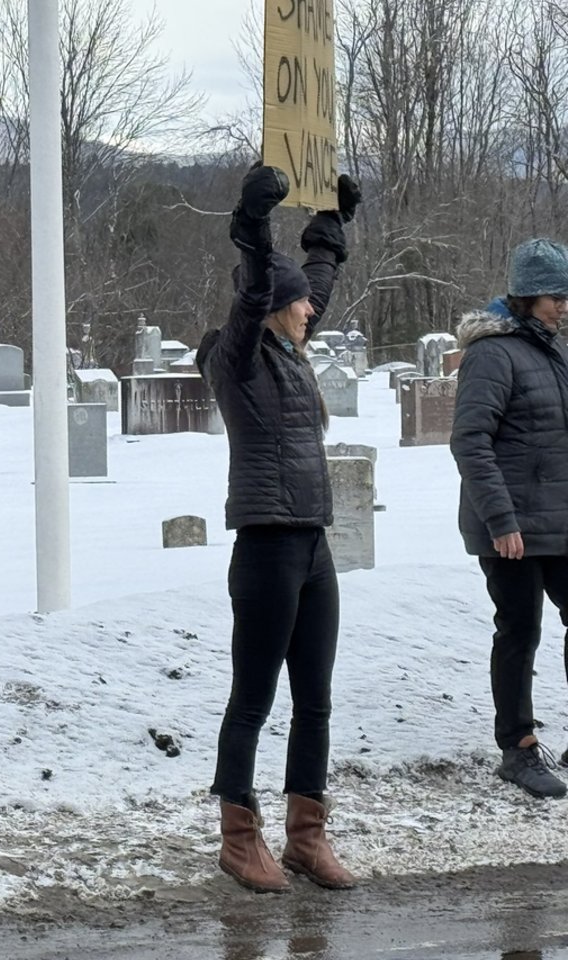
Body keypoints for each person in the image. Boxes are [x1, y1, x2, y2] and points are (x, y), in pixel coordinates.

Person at [196, 165, 361, 893]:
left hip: (312, 544)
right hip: (265, 544)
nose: (309, 315)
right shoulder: (238, 360)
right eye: (295, 307)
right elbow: (261, 288)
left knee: (315, 699)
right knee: (254, 698)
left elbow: (310, 285)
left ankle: (306, 837)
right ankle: (240, 840)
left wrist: (330, 226)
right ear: (270, 309)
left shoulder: (293, 350)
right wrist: (253, 225)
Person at [450, 238, 568, 799]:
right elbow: (471, 441)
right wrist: (501, 521)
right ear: (526, 297)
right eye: (555, 296)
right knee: (520, 631)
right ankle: (517, 748)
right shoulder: (492, 354)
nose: (564, 306)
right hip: (511, 528)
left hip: (560, 519)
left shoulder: (552, 350)